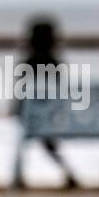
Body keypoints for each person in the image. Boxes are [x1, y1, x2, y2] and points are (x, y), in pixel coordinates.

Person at [16, 17, 78, 187]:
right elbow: (62, 94)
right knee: (48, 142)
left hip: (33, 119)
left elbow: (20, 95)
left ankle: (17, 175)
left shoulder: (27, 64)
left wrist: (18, 111)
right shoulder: (56, 64)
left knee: (36, 138)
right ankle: (68, 172)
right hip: (53, 119)